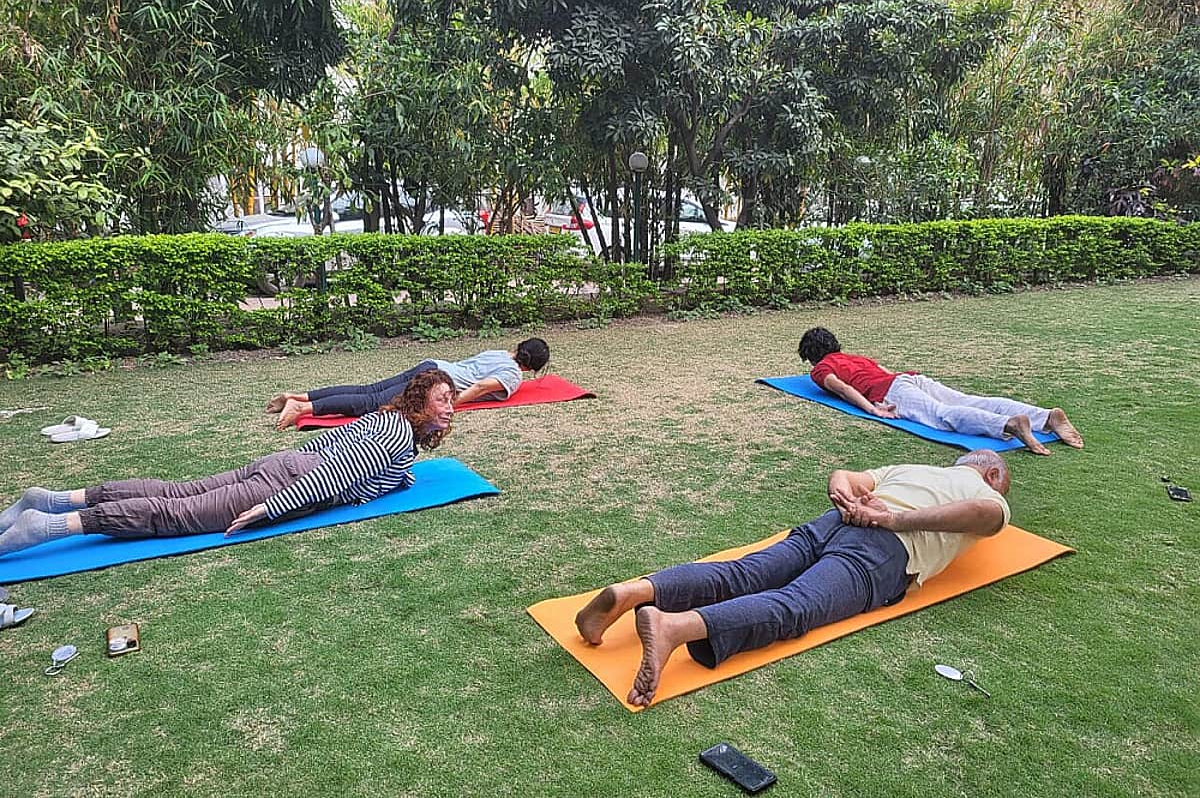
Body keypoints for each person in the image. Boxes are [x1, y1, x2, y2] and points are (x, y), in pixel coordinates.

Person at [575, 450, 1013, 707]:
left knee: (743, 572)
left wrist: (844, 494)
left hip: (834, 522)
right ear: (992, 474)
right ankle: (673, 625)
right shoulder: (987, 492)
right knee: (795, 604)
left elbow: (844, 477)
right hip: (883, 549)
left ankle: (639, 591)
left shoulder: (913, 469)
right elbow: (987, 515)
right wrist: (894, 519)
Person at [0, 370, 457, 557]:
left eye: (451, 400)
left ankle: (53, 499)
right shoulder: (399, 433)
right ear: (420, 403)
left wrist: (399, 474)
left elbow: (358, 455)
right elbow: (343, 473)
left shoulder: (388, 420)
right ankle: (48, 527)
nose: (450, 407)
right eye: (442, 399)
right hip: (291, 485)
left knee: (176, 492)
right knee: (173, 515)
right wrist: (271, 509)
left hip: (285, 462)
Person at [798, 327, 1082, 455]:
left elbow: (844, 388)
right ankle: (1045, 417)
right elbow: (883, 370)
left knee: (942, 416)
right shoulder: (855, 357)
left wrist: (873, 408)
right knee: (970, 400)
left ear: (811, 355)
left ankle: (1007, 425)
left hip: (893, 390)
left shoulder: (820, 369)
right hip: (909, 378)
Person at [268, 337, 551, 430]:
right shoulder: (513, 374)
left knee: (368, 390)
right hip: (435, 381)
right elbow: (479, 388)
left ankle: (300, 396)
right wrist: (449, 405)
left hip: (433, 366)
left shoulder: (500, 353)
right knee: (371, 403)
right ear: (533, 366)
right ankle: (302, 409)